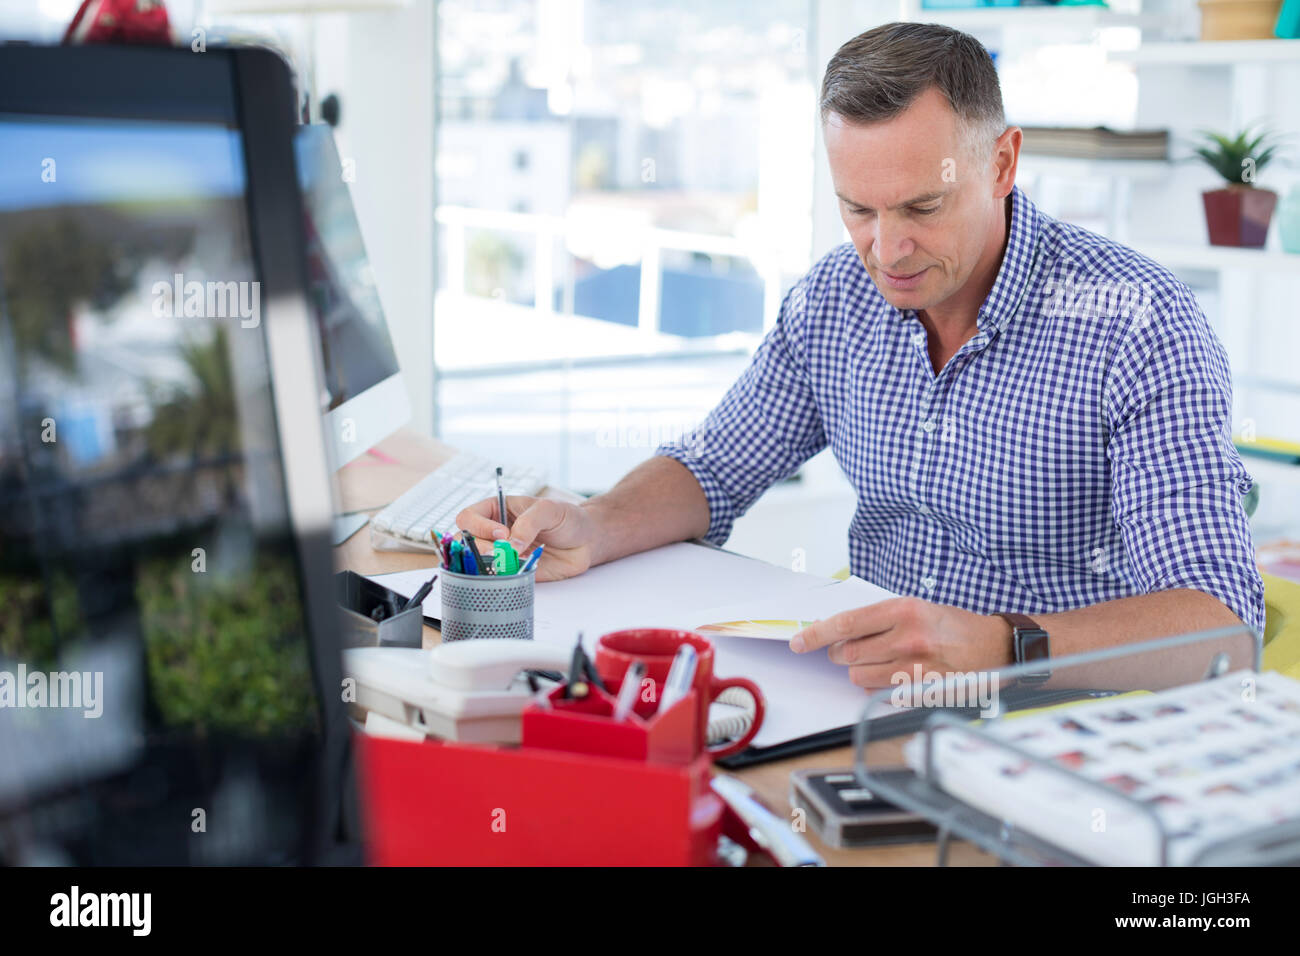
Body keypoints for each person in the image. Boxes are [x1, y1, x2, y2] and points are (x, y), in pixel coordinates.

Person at [458, 21, 1263, 689]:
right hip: (859, 696)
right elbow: (714, 466)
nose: (888, 250)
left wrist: (996, 648)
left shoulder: (1141, 324)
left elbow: (1220, 627)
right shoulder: (838, 297)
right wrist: (595, 525)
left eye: (923, 206)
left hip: (1057, 716)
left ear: (1003, 163)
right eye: (858, 210)